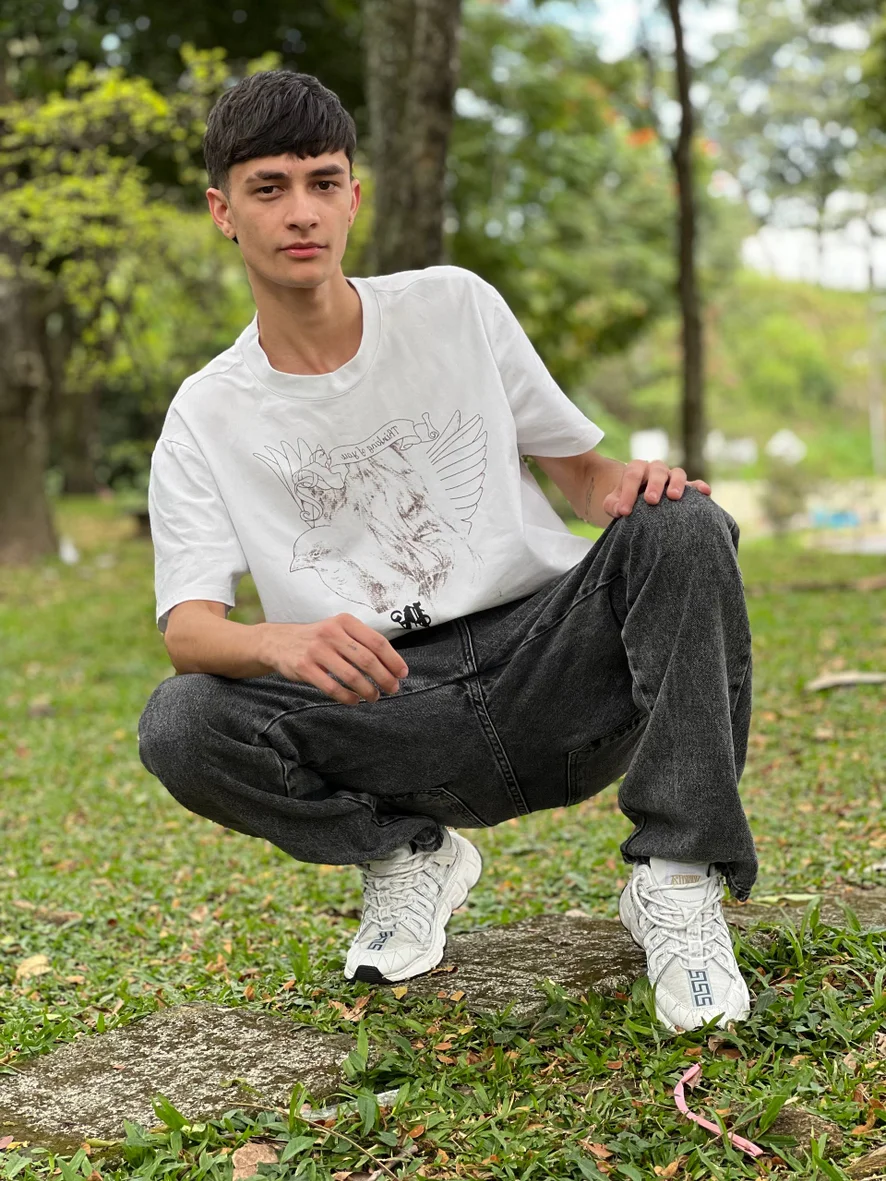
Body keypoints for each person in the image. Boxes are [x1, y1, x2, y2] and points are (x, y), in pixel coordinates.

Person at [136, 69, 758, 1034]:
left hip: (547, 668)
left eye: (323, 182)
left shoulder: (453, 305)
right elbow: (189, 629)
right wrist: (280, 642)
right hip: (389, 706)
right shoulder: (205, 413)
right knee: (179, 722)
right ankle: (406, 855)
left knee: (683, 523)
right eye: (268, 188)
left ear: (354, 196)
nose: (301, 212)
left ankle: (676, 881)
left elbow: (582, 476)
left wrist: (630, 483)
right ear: (224, 210)